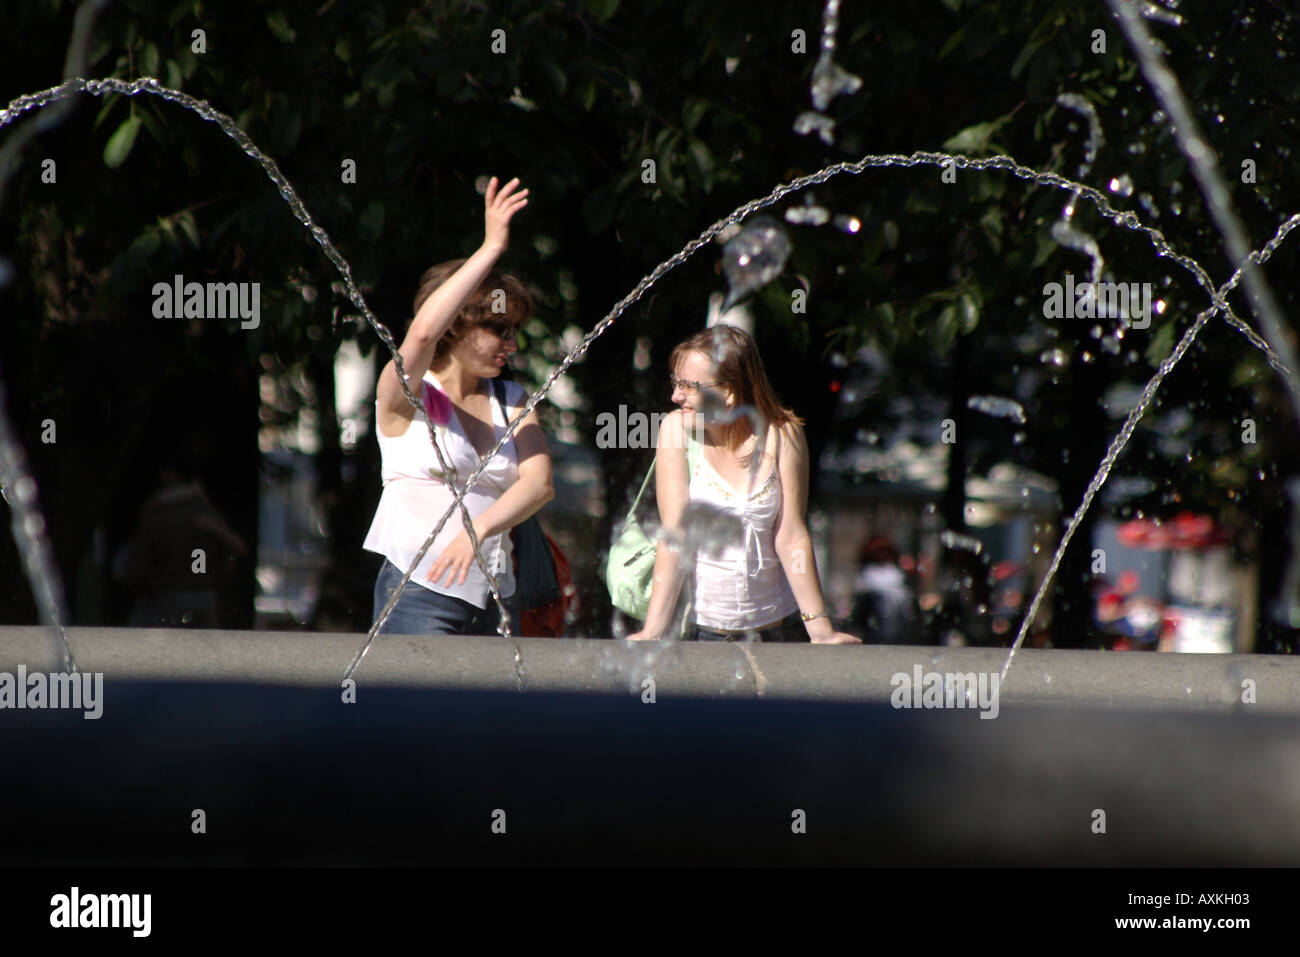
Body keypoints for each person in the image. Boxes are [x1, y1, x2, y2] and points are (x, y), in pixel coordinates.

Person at [363, 176, 553, 635]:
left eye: (514, 331)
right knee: (416, 710)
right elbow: (423, 334)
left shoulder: (511, 399)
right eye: (499, 329)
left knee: (493, 712)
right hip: (418, 590)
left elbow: (540, 485)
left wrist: (479, 529)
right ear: (460, 325)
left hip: (496, 597)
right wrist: (490, 249)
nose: (511, 343)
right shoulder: (407, 395)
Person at [627, 325, 859, 644]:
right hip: (702, 632)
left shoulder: (782, 434)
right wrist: (653, 630)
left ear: (730, 392)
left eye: (688, 386)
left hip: (777, 629)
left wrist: (820, 631)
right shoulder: (675, 431)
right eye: (675, 383)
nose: (675, 396)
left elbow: (790, 535)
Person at [850, 537, 919, 644]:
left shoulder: (897, 573)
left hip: (900, 632)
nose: (882, 555)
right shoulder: (869, 574)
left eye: (885, 551)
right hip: (878, 633)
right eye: (878, 552)